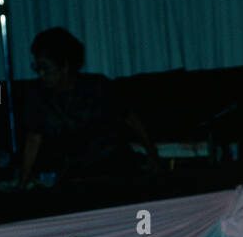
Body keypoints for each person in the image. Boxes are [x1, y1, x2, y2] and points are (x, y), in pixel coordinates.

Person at [14, 28, 156, 188]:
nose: (40, 74)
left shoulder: (98, 87)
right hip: (72, 174)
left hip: (112, 167)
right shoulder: (38, 96)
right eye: (37, 68)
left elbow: (131, 118)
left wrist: (152, 153)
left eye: (45, 68)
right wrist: (21, 184)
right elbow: (33, 140)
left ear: (65, 66)